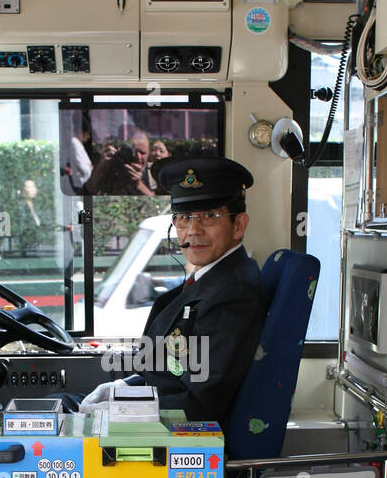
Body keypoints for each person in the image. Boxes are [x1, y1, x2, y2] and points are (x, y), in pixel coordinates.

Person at [81, 157, 268, 432]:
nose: (193, 230)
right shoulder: (210, 278)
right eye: (183, 218)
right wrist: (125, 386)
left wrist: (123, 409)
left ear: (238, 225)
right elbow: (173, 371)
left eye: (209, 216)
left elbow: (200, 405)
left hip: (179, 437)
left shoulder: (233, 294)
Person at [88, 129, 158, 196]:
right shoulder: (111, 165)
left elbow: (157, 201)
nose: (138, 157)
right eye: (133, 152)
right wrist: (102, 168)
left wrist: (139, 185)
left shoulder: (154, 172)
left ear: (149, 152)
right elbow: (90, 191)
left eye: (143, 153)